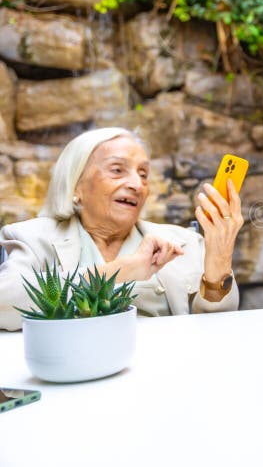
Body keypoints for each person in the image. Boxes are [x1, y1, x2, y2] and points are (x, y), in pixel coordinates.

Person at [0, 127, 243, 330]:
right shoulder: (33, 237)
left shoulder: (184, 243)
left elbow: (216, 330)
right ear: (75, 185)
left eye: (143, 174)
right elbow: (4, 303)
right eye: (117, 170)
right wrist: (120, 271)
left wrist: (220, 261)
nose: (137, 185)